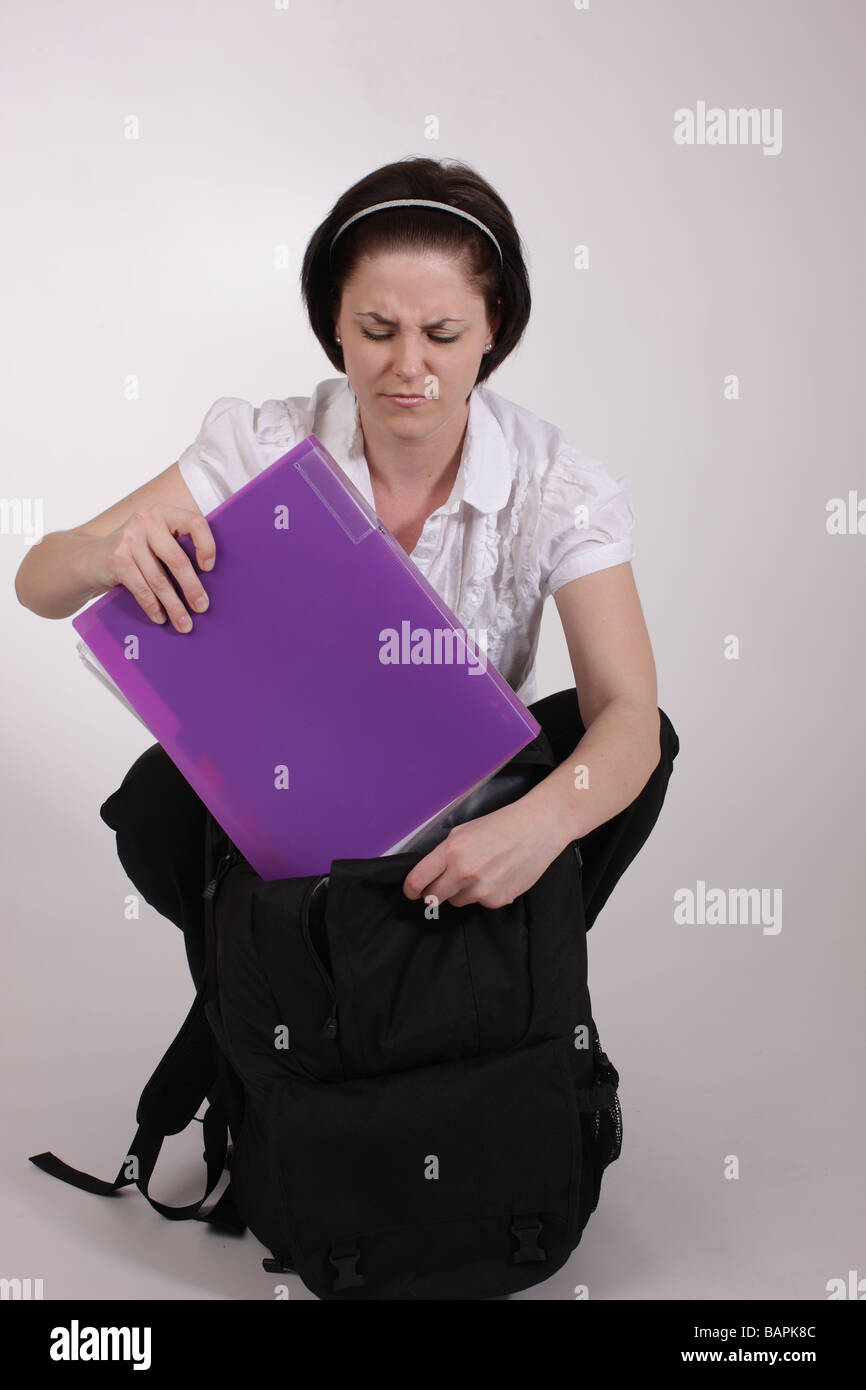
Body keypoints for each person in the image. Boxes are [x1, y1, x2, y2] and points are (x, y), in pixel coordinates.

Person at [14, 155, 679, 935]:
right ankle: (276, 993)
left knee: (627, 745)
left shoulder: (551, 481)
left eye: (443, 334)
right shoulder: (265, 443)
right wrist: (102, 555)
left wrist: (543, 824)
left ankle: (486, 981)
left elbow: (630, 712)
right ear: (335, 320)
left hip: (470, 826)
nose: (409, 367)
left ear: (492, 327)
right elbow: (38, 581)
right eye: (376, 330)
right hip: (295, 819)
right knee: (160, 795)